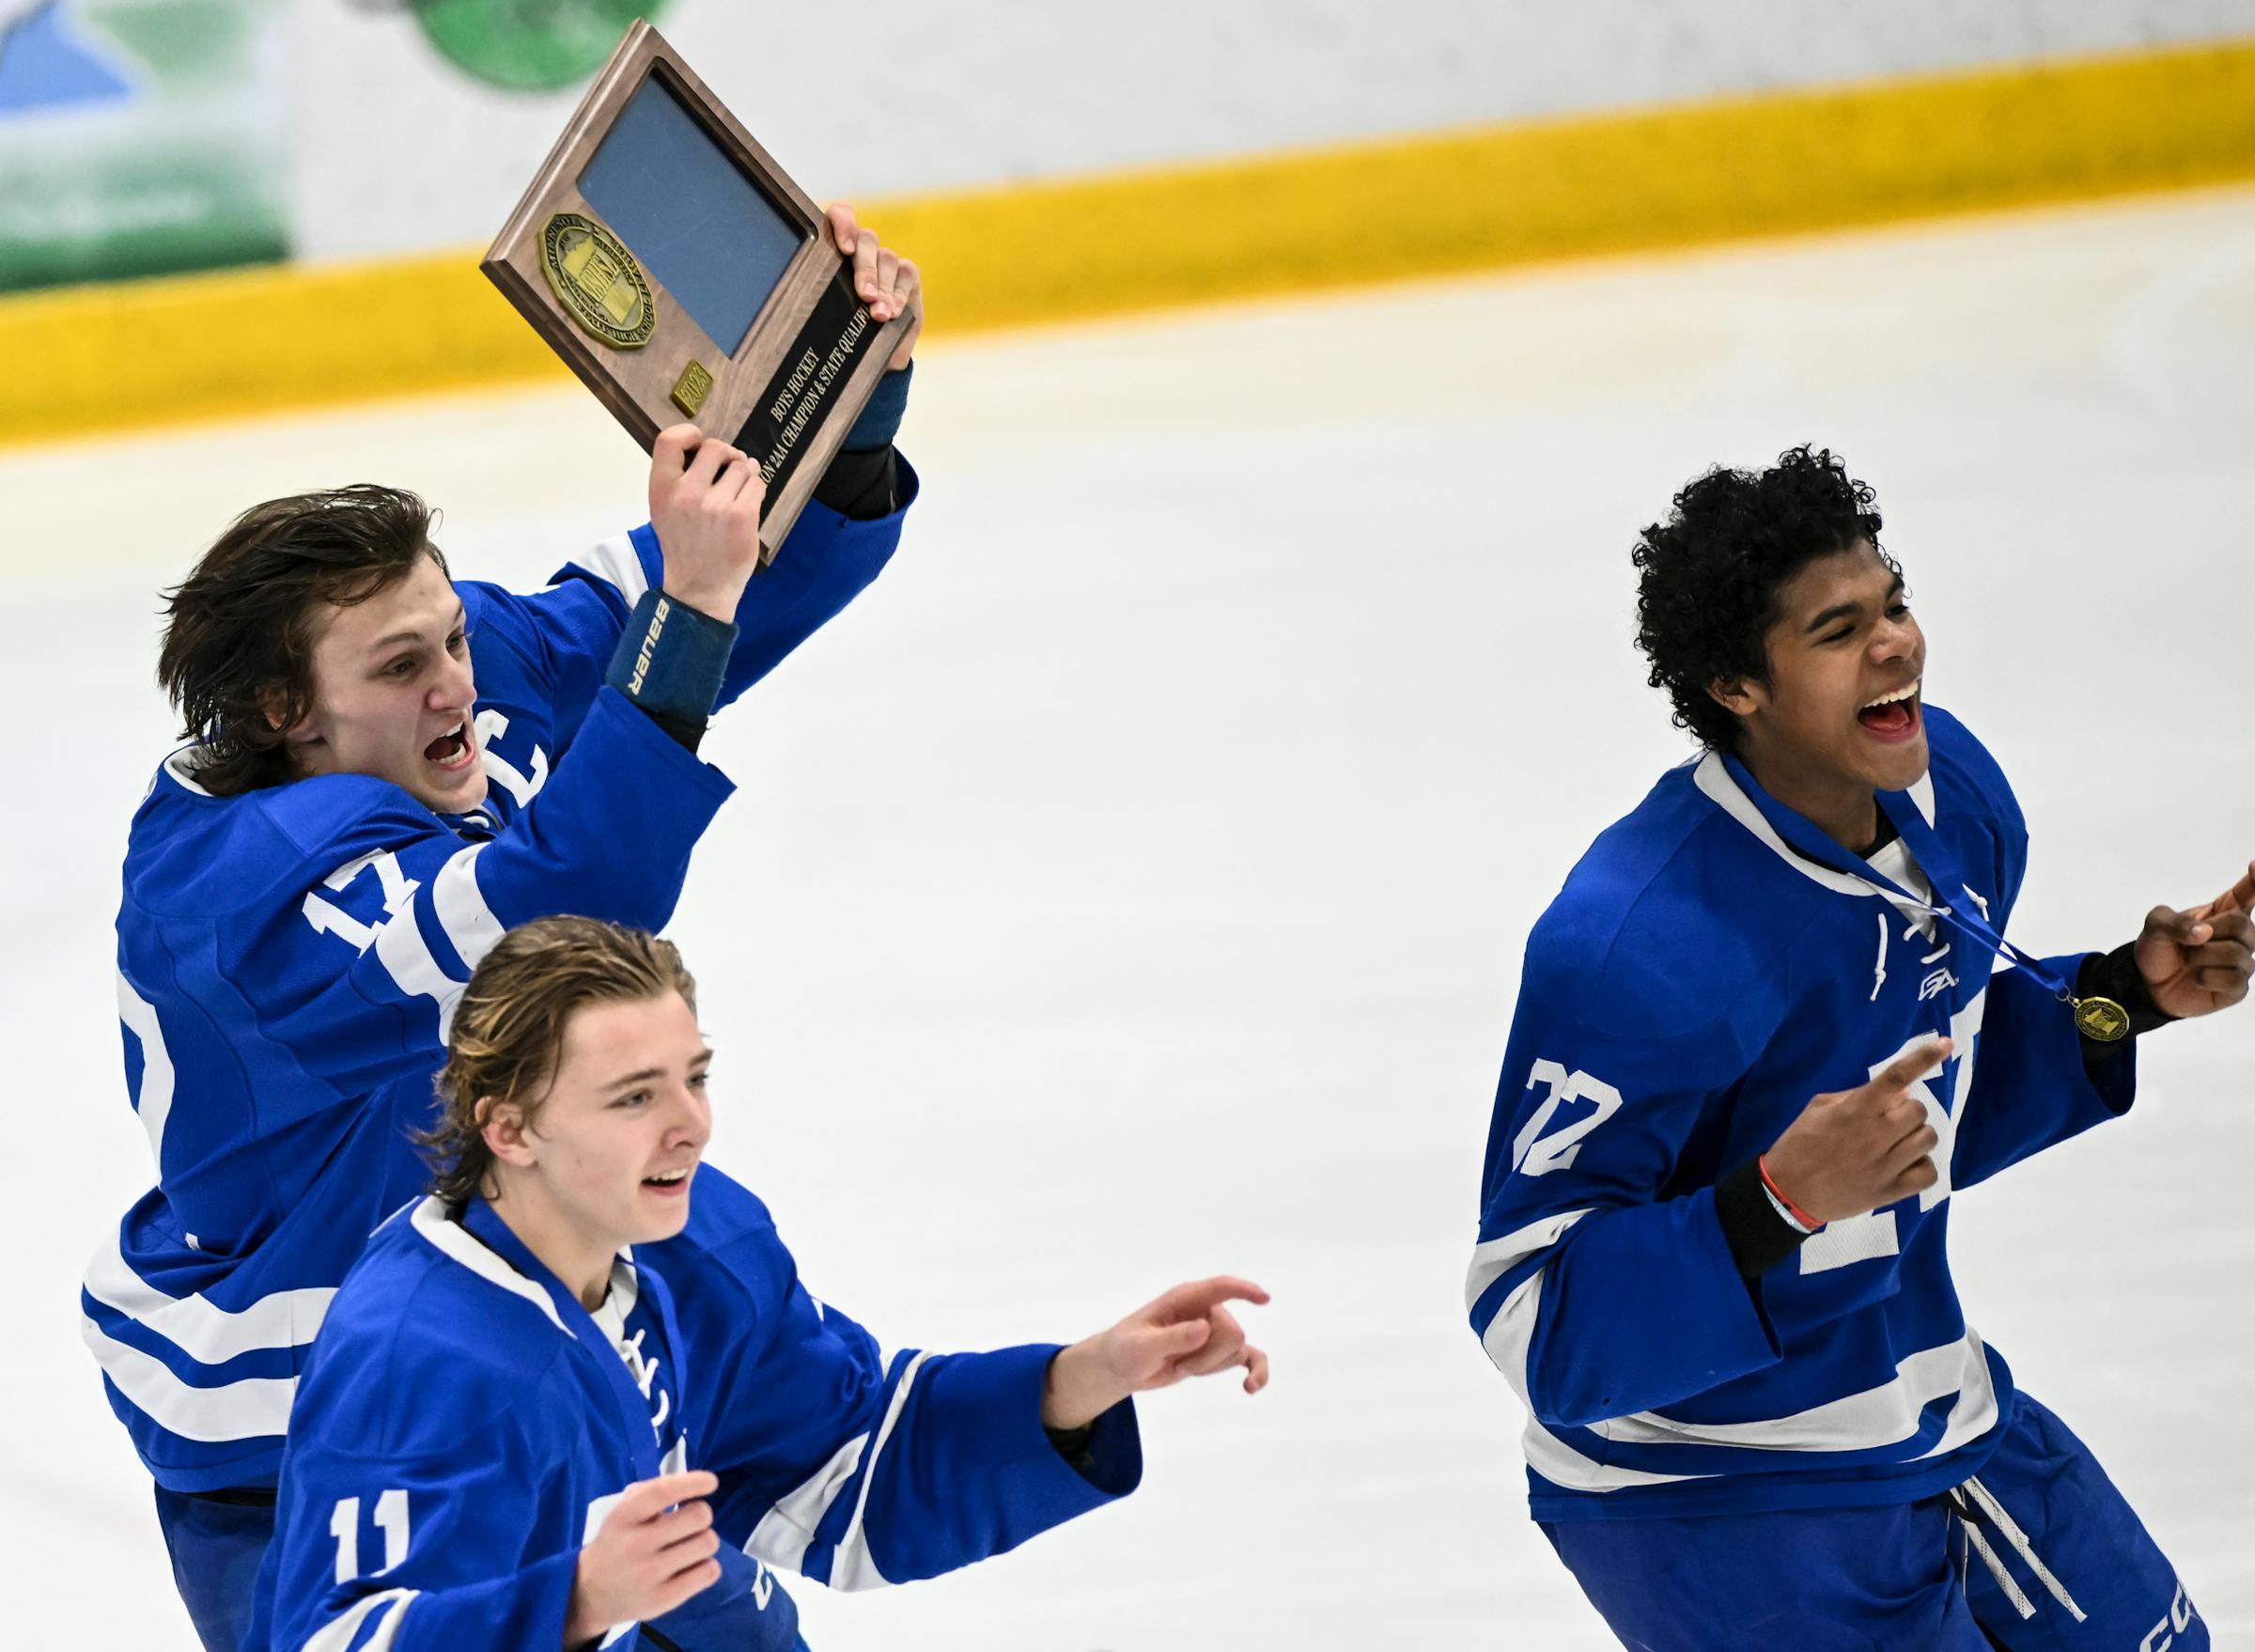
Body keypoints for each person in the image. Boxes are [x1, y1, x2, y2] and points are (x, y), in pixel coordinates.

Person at [83, 206, 925, 1652]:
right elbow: (554, 911)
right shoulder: (245, 894)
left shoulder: (442, 681)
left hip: (534, 1343)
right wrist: (691, 612)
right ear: (289, 715)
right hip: (309, 1441)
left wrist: (845, 404)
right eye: (405, 666)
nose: (456, 688)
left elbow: (690, 579)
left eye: (450, 640)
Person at [1464, 446, 2250, 1650]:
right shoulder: (1639, 950)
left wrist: (2119, 1002)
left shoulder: (1958, 806)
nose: (1897, 645)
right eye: (1839, 631)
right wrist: (1774, 1200)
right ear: (1737, 684)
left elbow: (1913, 1121)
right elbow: (1530, 1315)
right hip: (1709, 1498)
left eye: (1893, 604)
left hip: (1926, 1405)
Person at [252, 914, 1268, 1652]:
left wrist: (1081, 1379)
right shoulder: (415, 1360)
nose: (688, 1124)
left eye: (694, 1076)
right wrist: (571, 1603)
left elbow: (845, 1463)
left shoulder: (700, 1244)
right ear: (510, 1129)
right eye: (633, 1097)